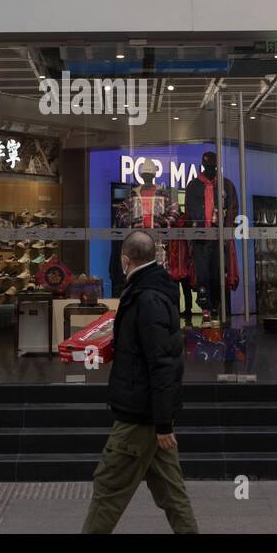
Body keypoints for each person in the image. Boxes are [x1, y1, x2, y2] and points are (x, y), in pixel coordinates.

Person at [81, 229, 198, 534]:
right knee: (173, 495)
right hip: (152, 414)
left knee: (108, 490)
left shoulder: (146, 298)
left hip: (139, 416)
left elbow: (162, 363)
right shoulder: (152, 291)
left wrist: (162, 423)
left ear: (125, 259)